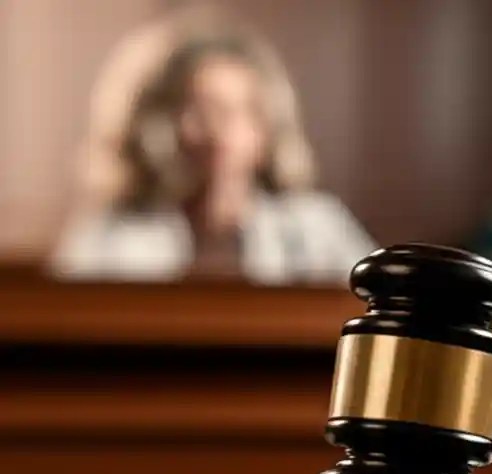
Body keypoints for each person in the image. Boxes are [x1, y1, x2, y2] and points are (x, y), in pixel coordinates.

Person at [48, 11, 375, 285]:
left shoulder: (316, 228)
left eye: (238, 111)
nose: (220, 133)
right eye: (203, 112)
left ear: (268, 126)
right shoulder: (109, 235)